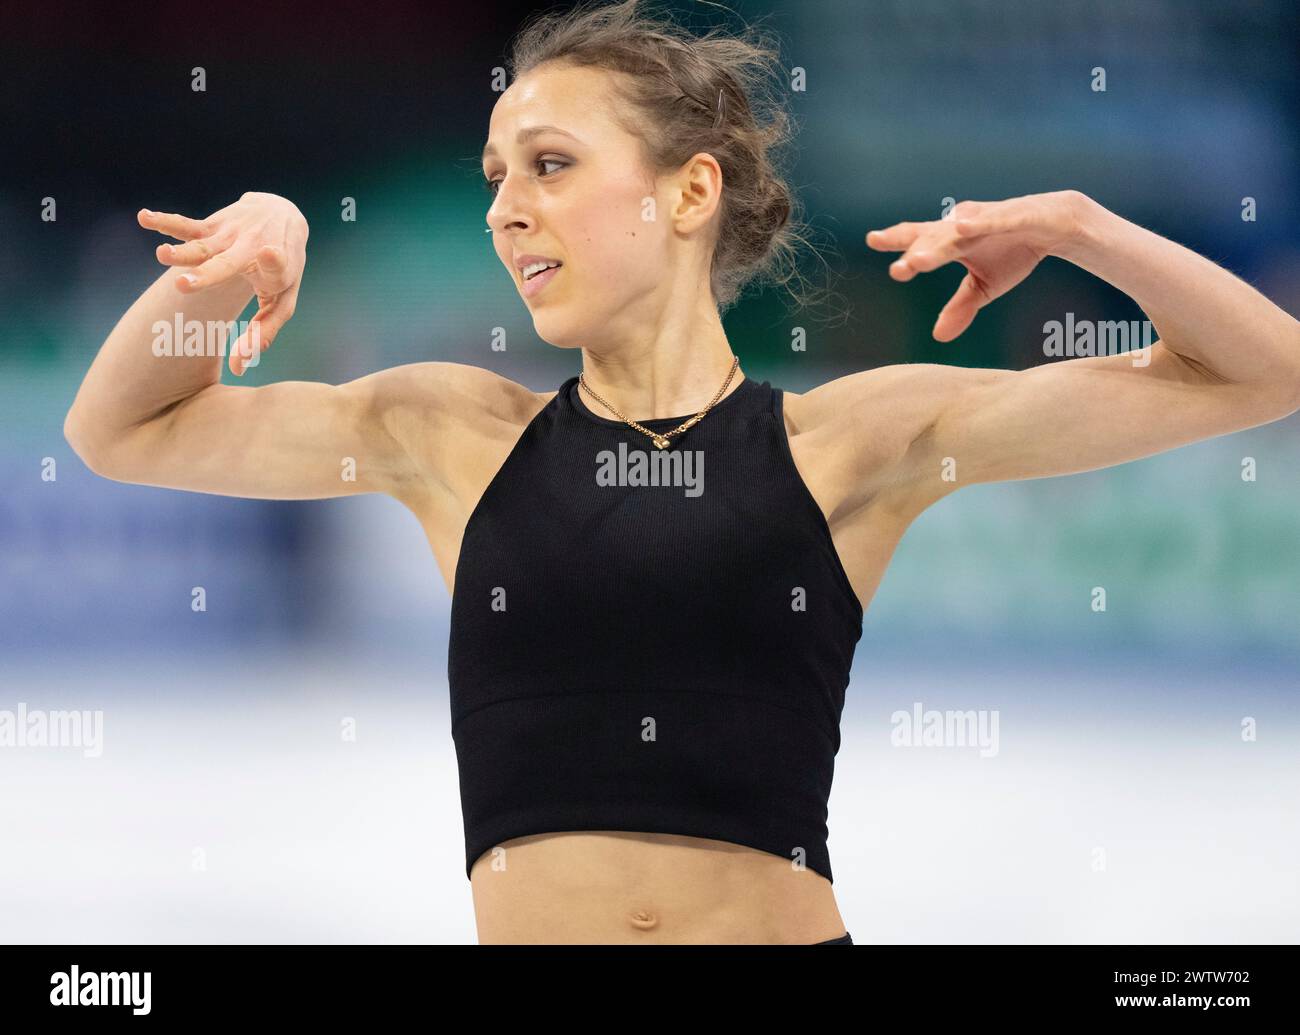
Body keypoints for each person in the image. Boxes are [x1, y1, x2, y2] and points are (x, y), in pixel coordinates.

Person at [63, 0, 1300, 944]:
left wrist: (1083, 226)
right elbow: (121, 433)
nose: (506, 210)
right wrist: (227, 261)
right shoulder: (448, 432)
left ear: (689, 191)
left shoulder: (847, 444)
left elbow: (1259, 372)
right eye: (496, 179)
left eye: (549, 165)